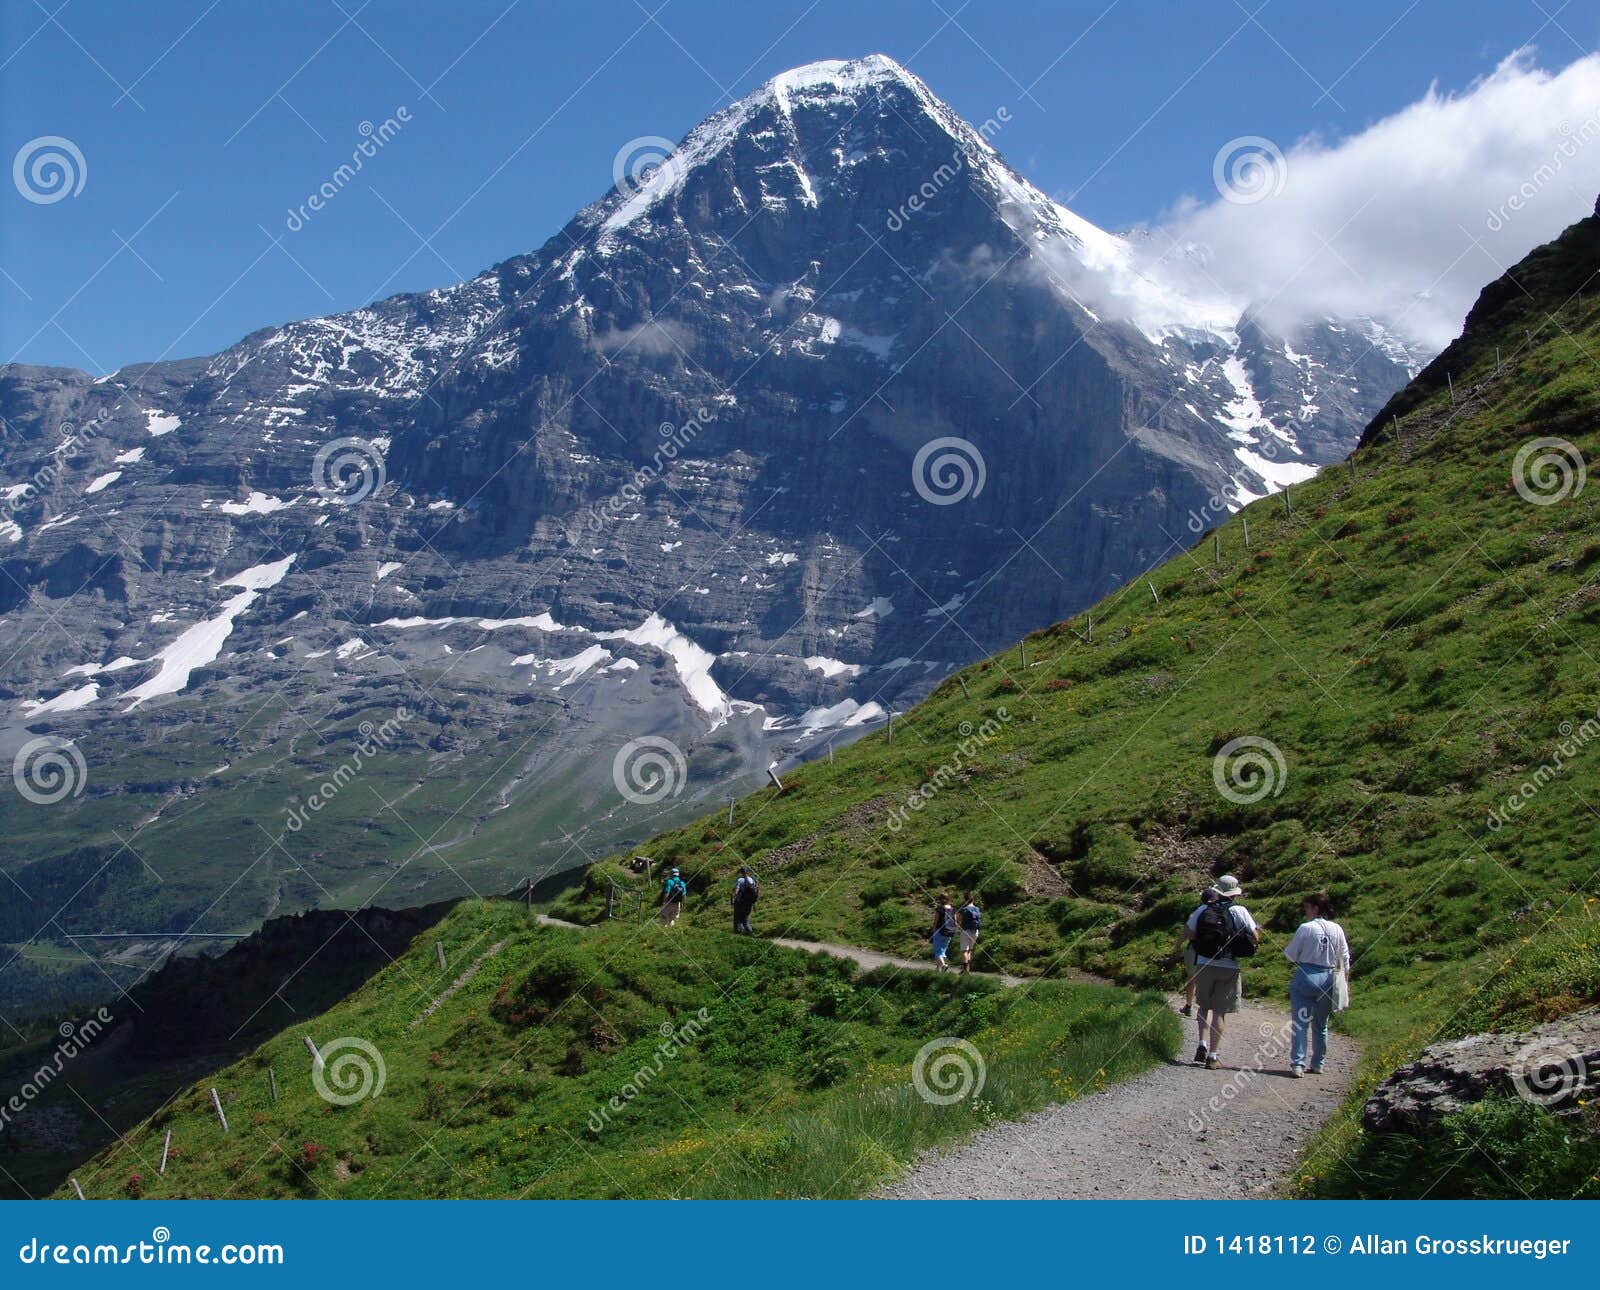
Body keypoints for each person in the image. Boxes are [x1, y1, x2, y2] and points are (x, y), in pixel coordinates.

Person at [1184, 874, 1258, 1069]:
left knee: (1203, 1006)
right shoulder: (1240, 911)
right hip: (1229, 966)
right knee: (1219, 1012)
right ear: (1235, 893)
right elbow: (1255, 936)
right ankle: (1213, 1056)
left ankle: (1201, 1044)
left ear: (1217, 891)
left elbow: (1190, 932)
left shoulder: (1203, 909)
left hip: (1204, 963)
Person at [1283, 891, 1351, 1077]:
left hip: (1306, 974)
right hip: (1329, 976)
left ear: (1315, 908)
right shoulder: (1337, 928)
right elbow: (1344, 957)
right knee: (1322, 1024)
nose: (1305, 911)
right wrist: (1345, 981)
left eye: (1306, 908)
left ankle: (1298, 1063)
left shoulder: (1306, 928)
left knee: (1300, 1023)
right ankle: (1318, 1063)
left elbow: (1290, 955)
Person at [1173, 887, 1218, 1017]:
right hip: (1215, 950)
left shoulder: (1198, 911)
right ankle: (1209, 1006)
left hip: (1195, 948)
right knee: (1210, 978)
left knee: (1192, 978)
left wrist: (1177, 945)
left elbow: (1186, 931)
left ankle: (1188, 1005)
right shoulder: (1222, 910)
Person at [929, 894, 958, 971]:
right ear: (949, 899)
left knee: (937, 950)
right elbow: (955, 922)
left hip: (939, 931)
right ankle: (938, 969)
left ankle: (943, 965)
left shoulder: (939, 909)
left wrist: (933, 930)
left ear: (940, 899)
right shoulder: (953, 909)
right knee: (942, 950)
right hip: (949, 932)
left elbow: (936, 921)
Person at [957, 892, 982, 973]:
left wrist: (960, 925)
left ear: (965, 900)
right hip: (975, 931)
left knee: (964, 950)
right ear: (973, 899)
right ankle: (968, 969)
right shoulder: (977, 909)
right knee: (970, 950)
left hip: (966, 931)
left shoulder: (964, 909)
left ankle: (965, 970)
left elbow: (958, 921)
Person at [731, 866, 759, 934]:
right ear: (748, 872)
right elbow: (755, 892)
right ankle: (750, 933)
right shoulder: (752, 880)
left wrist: (733, 898)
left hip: (740, 903)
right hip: (749, 903)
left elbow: (736, 891)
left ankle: (737, 934)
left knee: (737, 919)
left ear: (741, 873)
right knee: (745, 919)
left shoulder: (740, 880)